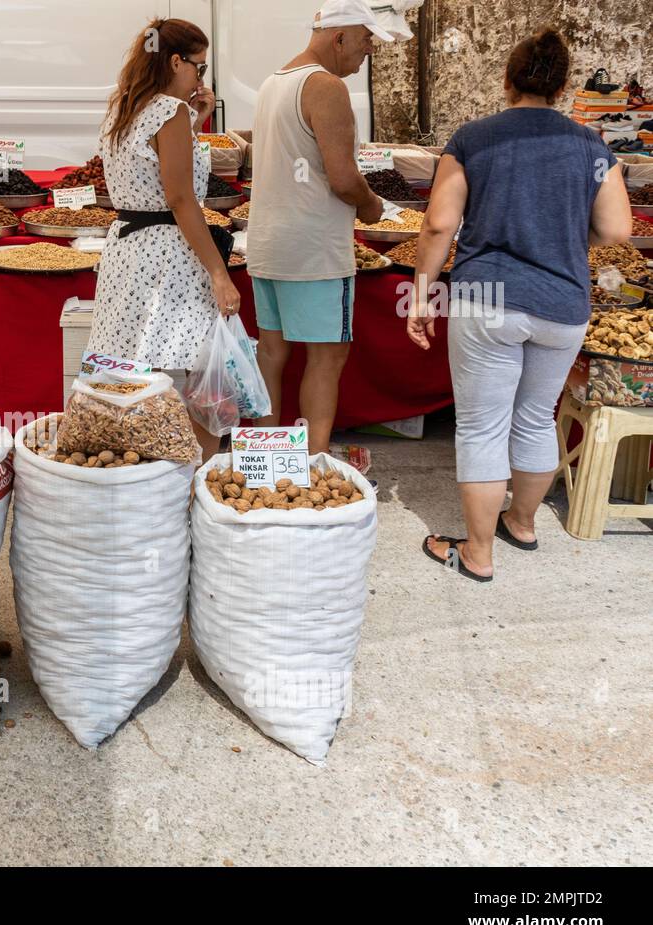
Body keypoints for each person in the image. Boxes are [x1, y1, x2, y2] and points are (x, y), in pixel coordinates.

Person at [408, 27, 631, 583]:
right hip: (564, 299)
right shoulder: (591, 146)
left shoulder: (474, 139)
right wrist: (560, 239)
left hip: (487, 295)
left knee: (482, 427)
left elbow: (439, 224)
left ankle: (477, 555)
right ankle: (523, 524)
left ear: (508, 80)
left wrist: (420, 292)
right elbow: (618, 228)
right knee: (535, 418)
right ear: (562, 86)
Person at [85, 17, 241, 460]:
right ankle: (193, 482)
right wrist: (218, 273)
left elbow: (153, 173)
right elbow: (179, 198)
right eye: (199, 66)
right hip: (168, 258)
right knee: (190, 380)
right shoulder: (170, 113)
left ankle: (140, 478)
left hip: (127, 251)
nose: (201, 77)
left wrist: (198, 119)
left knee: (133, 370)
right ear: (176, 61)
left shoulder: (123, 107)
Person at [247, 0, 392, 454]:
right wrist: (372, 207)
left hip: (268, 243)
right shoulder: (326, 86)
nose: (368, 51)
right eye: (367, 40)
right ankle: (310, 466)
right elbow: (344, 178)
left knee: (271, 355)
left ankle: (267, 465)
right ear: (340, 37)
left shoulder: (273, 82)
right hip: (314, 250)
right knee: (327, 357)